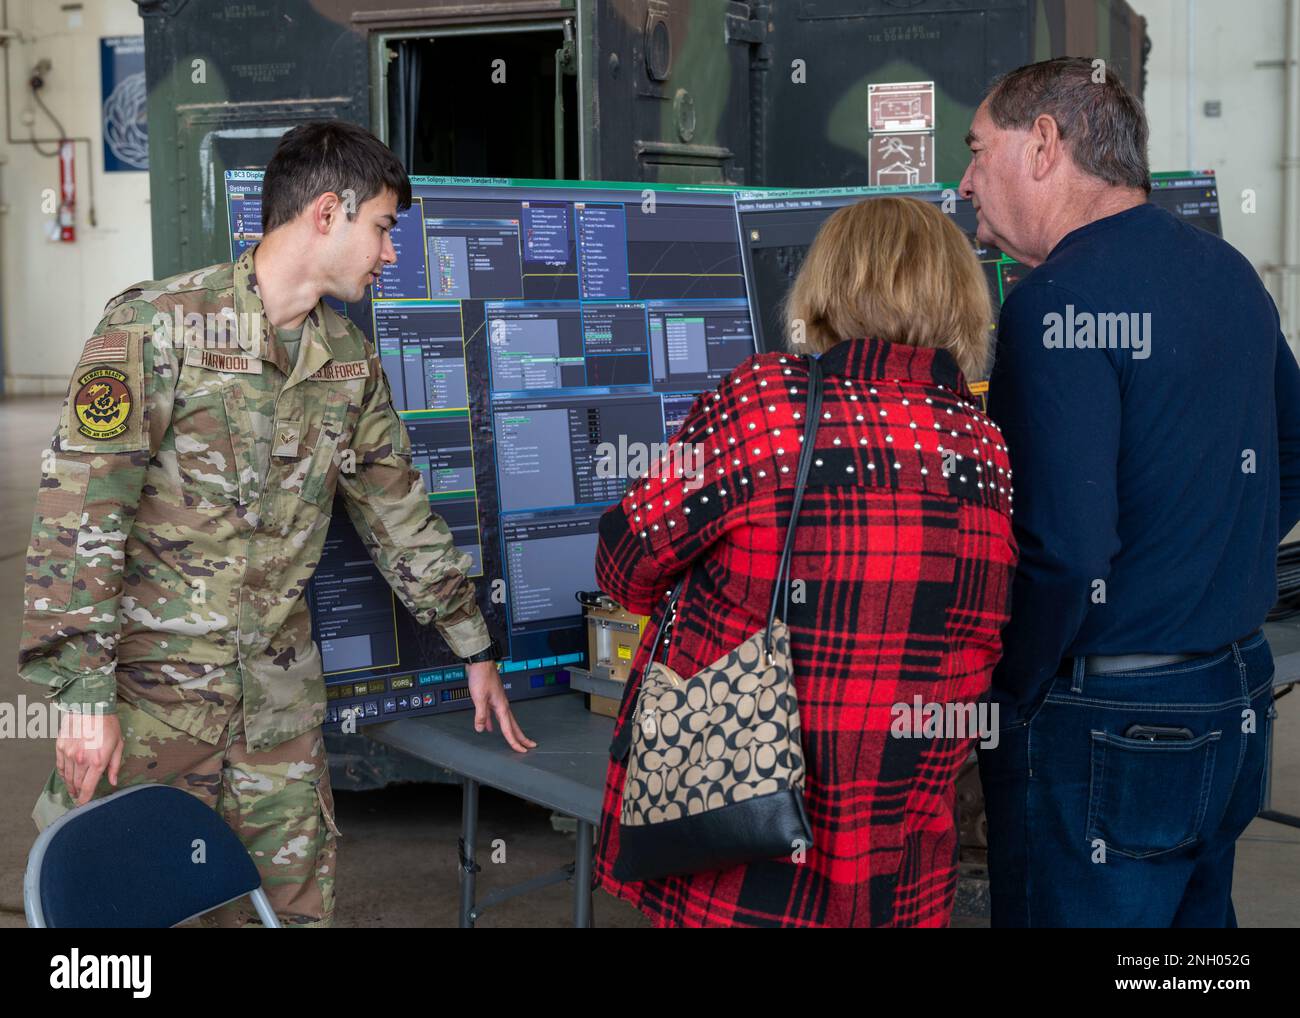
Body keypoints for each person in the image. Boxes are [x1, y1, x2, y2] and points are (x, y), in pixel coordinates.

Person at [20, 120, 533, 928]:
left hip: (276, 720)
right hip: (151, 707)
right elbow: (79, 516)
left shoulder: (348, 362)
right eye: (383, 227)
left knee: (289, 912)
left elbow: (398, 515)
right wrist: (82, 699)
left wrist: (472, 645)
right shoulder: (156, 327)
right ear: (327, 213)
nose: (390, 252)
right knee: (116, 926)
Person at [591, 196, 1017, 927]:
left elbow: (626, 565)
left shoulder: (766, 404)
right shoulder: (985, 446)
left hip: (743, 841)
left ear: (827, 286)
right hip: (901, 856)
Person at [960, 57, 1300, 927]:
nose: (965, 183)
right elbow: (1293, 451)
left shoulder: (1052, 304)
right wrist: (1205, 568)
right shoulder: (1228, 273)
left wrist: (1010, 695)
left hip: (1107, 728)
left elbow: (1065, 552)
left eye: (975, 150)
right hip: (1235, 697)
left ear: (1043, 144)